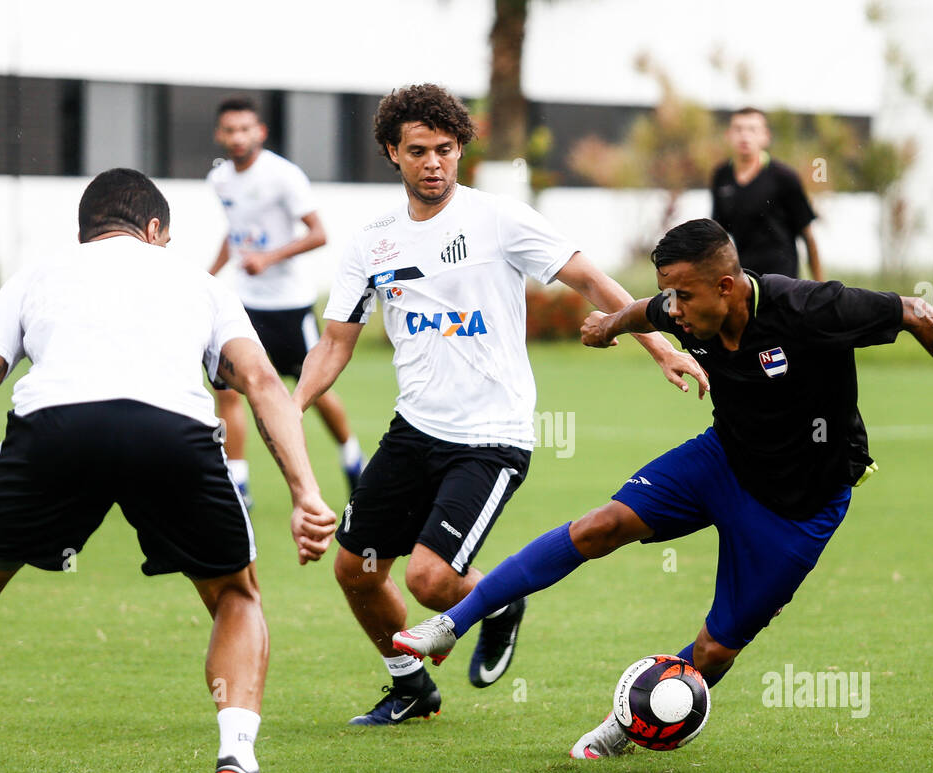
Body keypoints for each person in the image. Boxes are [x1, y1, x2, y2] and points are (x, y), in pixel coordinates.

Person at [394, 218, 933, 757]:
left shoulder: (807, 308)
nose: (674, 310)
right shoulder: (685, 309)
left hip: (798, 509)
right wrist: (609, 326)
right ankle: (455, 621)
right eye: (669, 297)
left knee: (713, 651)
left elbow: (916, 311)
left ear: (730, 287)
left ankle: (629, 724)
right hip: (722, 462)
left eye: (684, 296)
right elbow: (642, 311)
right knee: (600, 525)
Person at [0, 168, 336, 773]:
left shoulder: (44, 273)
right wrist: (306, 493)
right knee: (237, 595)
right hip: (170, 432)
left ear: (85, 232)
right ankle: (238, 759)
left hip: (57, 429)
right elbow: (261, 381)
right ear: (155, 232)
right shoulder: (197, 281)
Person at [294, 83, 707, 725]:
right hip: (414, 430)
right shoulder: (371, 242)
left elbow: (593, 280)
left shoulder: (498, 219)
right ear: (391, 154)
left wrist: (660, 348)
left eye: (446, 149)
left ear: (461, 151)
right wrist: (289, 407)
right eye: (418, 151)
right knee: (356, 570)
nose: (434, 162)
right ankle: (411, 687)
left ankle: (499, 601)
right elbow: (334, 343)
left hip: (491, 436)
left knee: (429, 581)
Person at [207, 97, 365, 504]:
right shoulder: (221, 179)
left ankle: (351, 456)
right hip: (244, 305)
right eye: (230, 130)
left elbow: (319, 233)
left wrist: (269, 257)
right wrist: (208, 277)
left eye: (246, 129)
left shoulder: (283, 175)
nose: (237, 137)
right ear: (219, 135)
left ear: (259, 132)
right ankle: (238, 484)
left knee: (314, 390)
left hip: (289, 306)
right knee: (227, 390)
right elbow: (235, 231)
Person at [710, 107, 823, 281]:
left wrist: (820, 288)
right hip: (743, 280)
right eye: (739, 129)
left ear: (766, 137)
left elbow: (808, 236)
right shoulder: (721, 176)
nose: (745, 136)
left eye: (752, 130)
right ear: (728, 135)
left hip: (782, 280)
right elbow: (718, 235)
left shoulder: (785, 177)